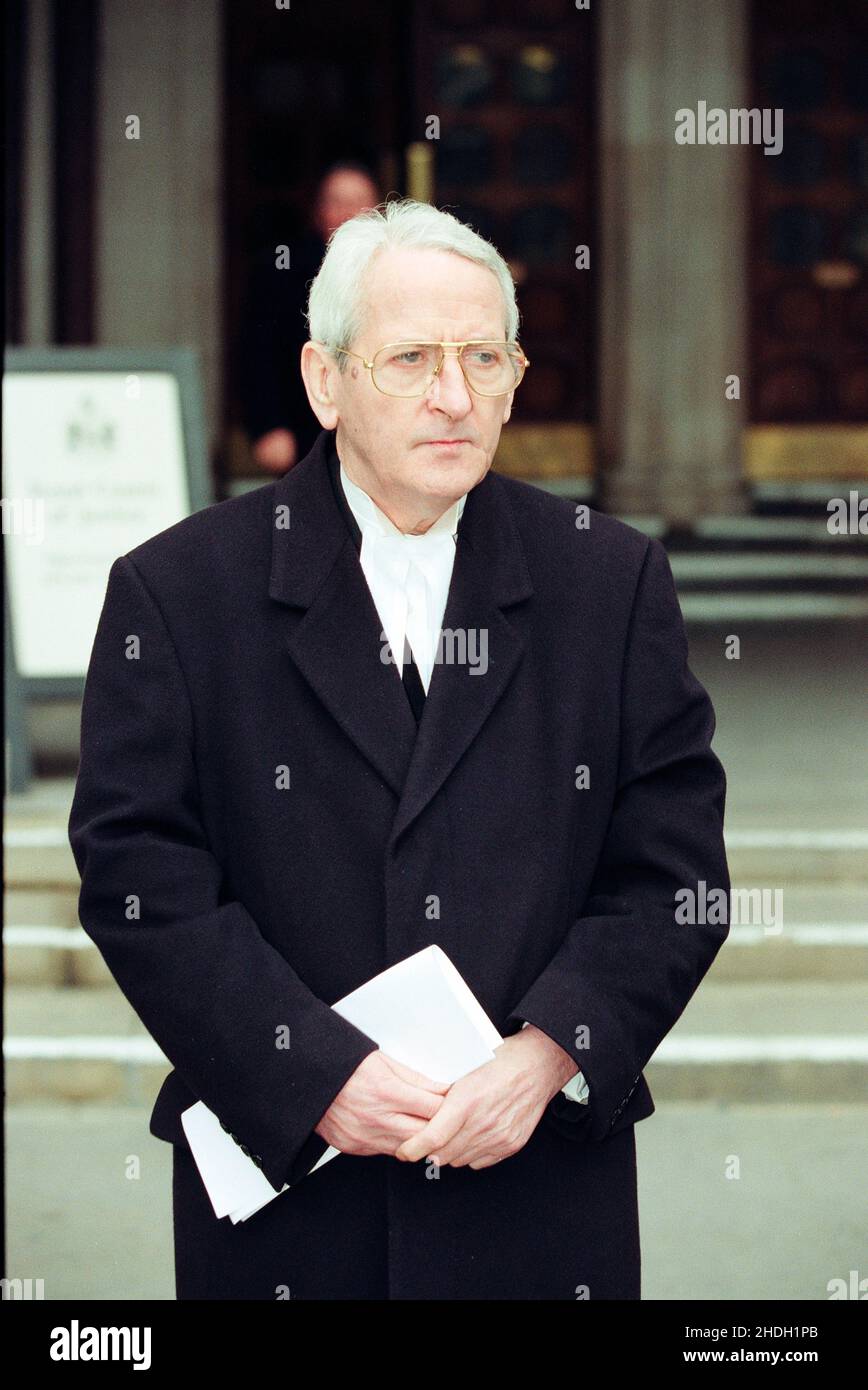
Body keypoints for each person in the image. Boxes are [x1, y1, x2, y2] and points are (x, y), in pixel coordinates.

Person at [68, 198, 730, 1300]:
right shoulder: (179, 590)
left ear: (518, 374)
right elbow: (139, 870)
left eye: (483, 357)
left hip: (534, 1182)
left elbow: (675, 872)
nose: (454, 396)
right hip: (292, 1194)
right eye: (411, 359)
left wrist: (549, 1054)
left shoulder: (606, 582)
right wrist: (311, 1071)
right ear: (325, 381)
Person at [237, 161, 379, 475]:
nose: (348, 214)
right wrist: (267, 426)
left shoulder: (397, 272)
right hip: (303, 430)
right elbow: (256, 355)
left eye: (359, 204)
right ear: (318, 211)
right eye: (337, 203)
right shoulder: (282, 272)